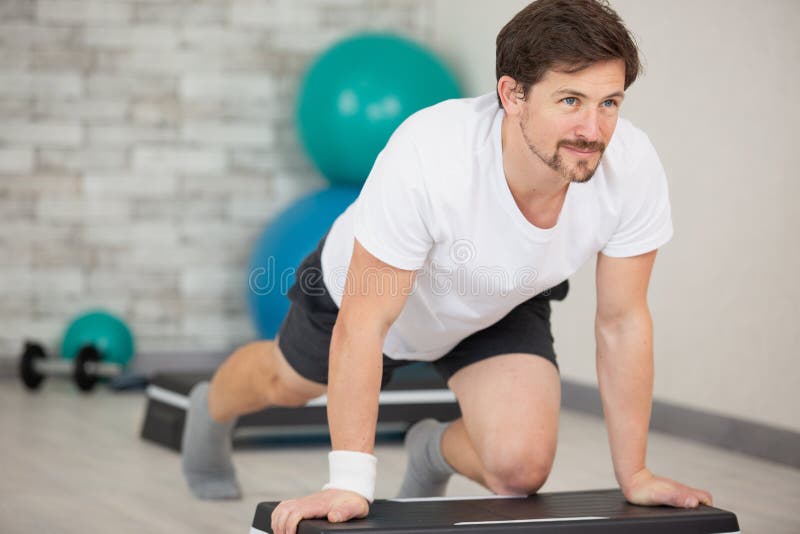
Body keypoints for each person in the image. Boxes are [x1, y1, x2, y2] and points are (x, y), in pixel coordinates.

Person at [181, 1, 714, 532]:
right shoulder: (431, 155)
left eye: (609, 103)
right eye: (570, 100)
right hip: (362, 299)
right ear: (513, 95)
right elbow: (364, 324)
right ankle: (209, 410)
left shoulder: (632, 167)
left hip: (496, 298)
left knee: (519, 470)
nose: (592, 129)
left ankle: (429, 451)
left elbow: (621, 323)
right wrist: (349, 483)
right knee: (281, 383)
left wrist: (635, 473)